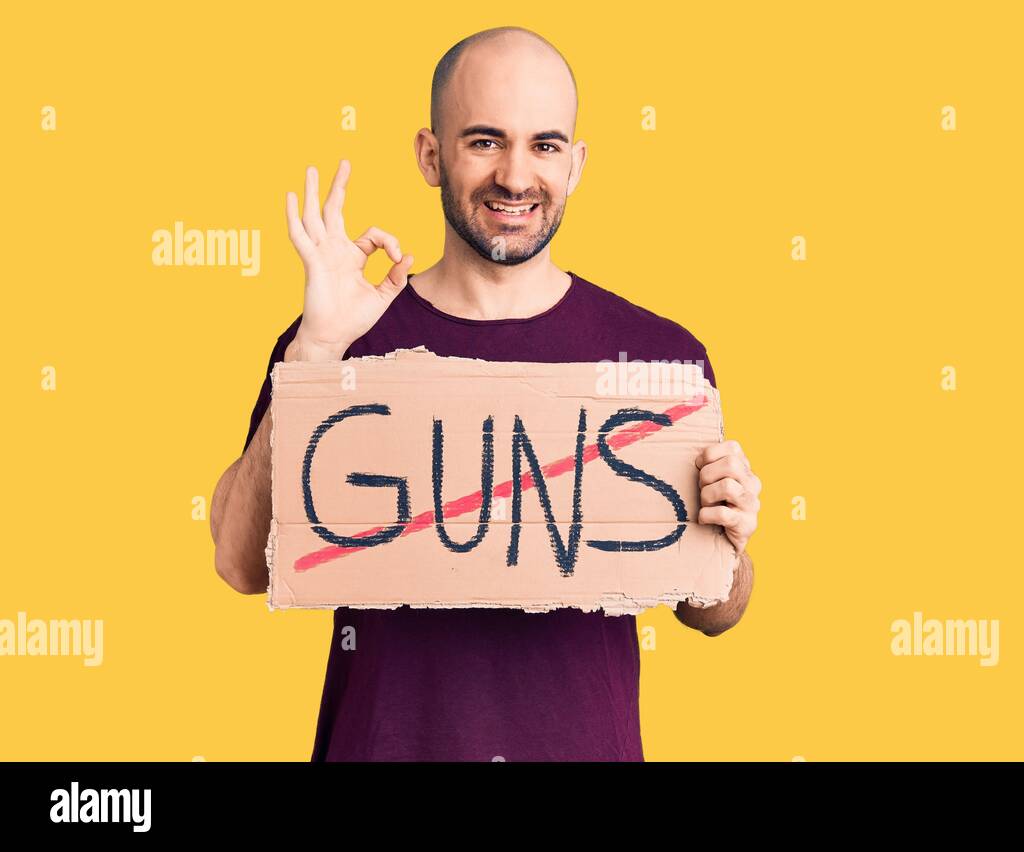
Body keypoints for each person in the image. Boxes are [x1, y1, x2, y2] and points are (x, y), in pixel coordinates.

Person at [209, 26, 760, 761]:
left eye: (545, 145)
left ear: (577, 163)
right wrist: (314, 354)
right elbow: (240, 564)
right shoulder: (345, 336)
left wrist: (727, 537)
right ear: (430, 156)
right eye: (484, 141)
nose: (516, 175)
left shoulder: (661, 360)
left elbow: (714, 611)